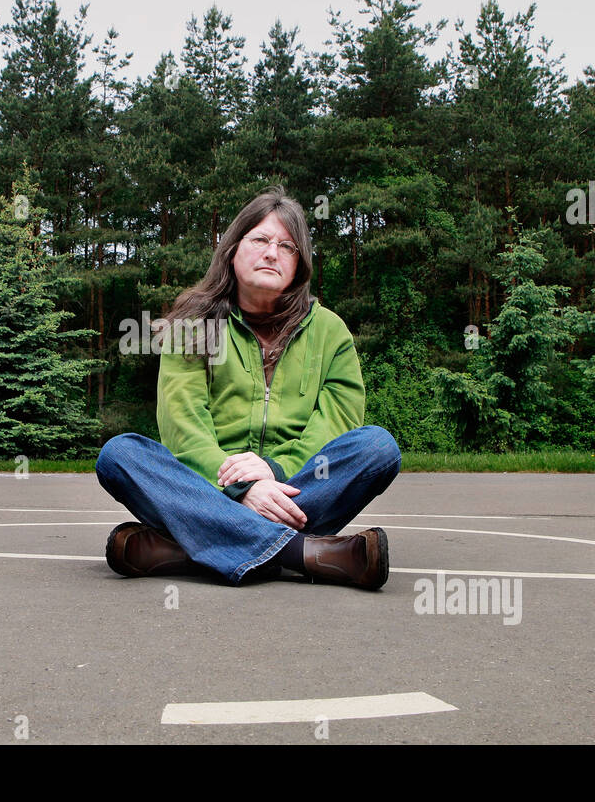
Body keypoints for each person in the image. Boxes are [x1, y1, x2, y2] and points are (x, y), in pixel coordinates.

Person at [94, 186, 402, 589]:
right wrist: (241, 487)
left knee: (376, 448)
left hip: (296, 487)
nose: (272, 253)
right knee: (120, 456)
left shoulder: (331, 331)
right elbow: (184, 427)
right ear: (233, 249)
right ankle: (307, 554)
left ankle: (187, 548)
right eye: (260, 239)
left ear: (299, 265)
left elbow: (337, 423)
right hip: (211, 484)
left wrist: (273, 471)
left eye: (287, 247)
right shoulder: (193, 325)